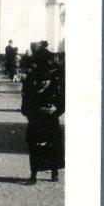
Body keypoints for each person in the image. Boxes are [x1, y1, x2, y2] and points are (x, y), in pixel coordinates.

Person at [21, 53, 65, 183]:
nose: (43, 84)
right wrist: (36, 111)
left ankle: (54, 172)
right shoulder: (30, 91)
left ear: (50, 81)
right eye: (40, 81)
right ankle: (34, 174)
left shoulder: (55, 91)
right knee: (35, 149)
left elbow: (62, 105)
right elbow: (24, 108)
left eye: (46, 81)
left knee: (53, 149)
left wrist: (55, 110)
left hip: (51, 125)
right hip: (35, 124)